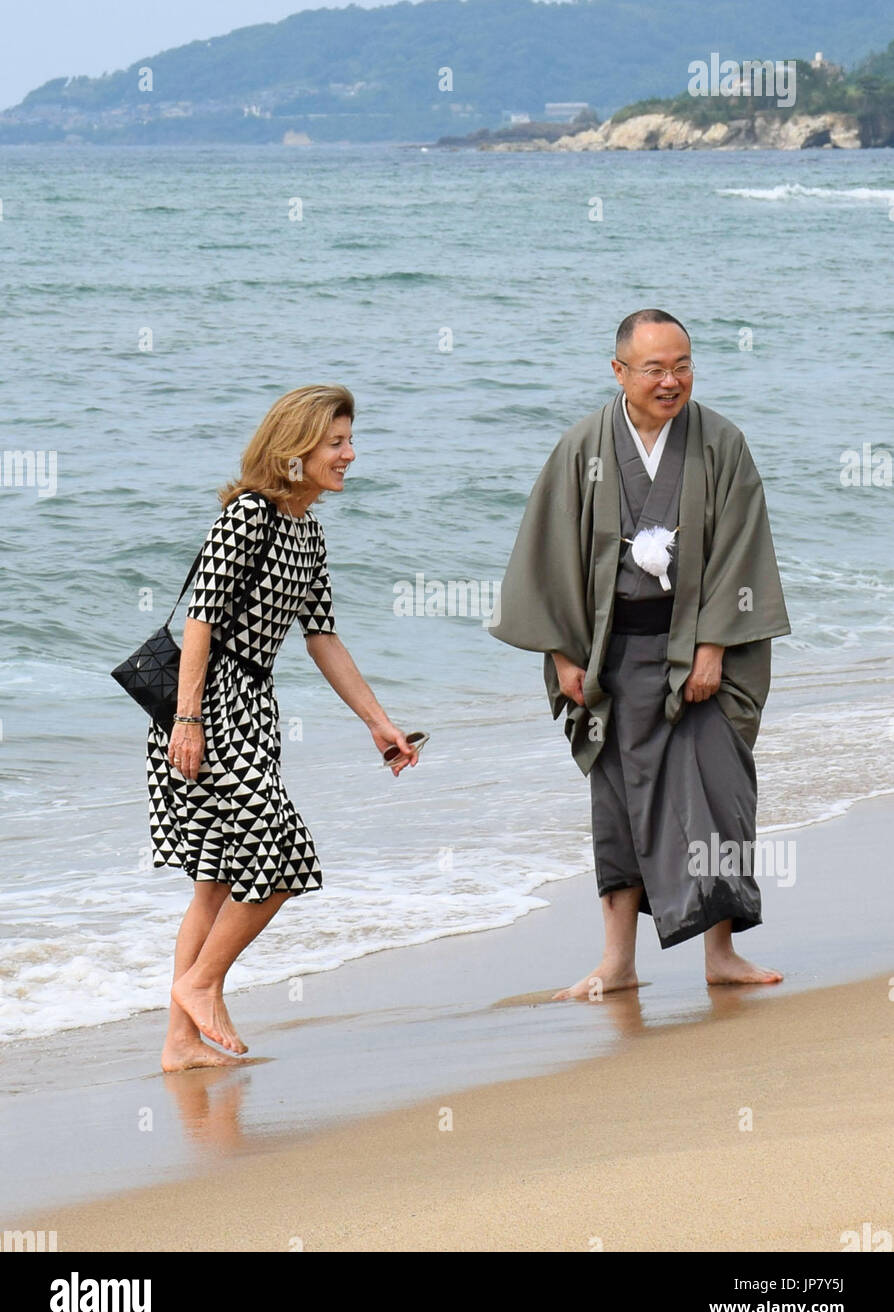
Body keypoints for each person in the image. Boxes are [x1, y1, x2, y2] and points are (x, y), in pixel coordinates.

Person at [489, 310, 791, 996]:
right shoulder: (582, 448)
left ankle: (721, 956)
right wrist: (565, 658)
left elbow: (743, 548)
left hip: (701, 649)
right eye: (653, 368)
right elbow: (547, 556)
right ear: (618, 370)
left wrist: (714, 643)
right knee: (616, 802)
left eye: (682, 365)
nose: (670, 380)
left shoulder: (721, 443)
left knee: (720, 793)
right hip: (611, 651)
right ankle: (617, 962)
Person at [148, 384, 419, 1072]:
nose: (349, 455)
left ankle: (180, 1044)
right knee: (283, 856)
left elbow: (322, 637)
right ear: (294, 449)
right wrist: (187, 720)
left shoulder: (308, 531)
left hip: (252, 711)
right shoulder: (248, 515)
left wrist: (379, 725)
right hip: (208, 709)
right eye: (336, 443)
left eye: (350, 441)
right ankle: (201, 984)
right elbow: (200, 618)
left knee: (218, 878)